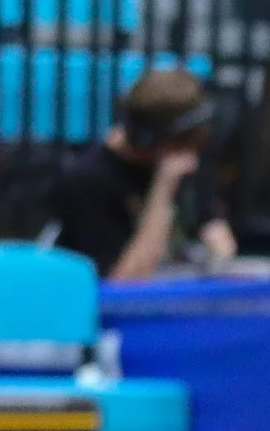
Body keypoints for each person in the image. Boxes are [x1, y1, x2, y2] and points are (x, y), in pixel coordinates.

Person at [46, 68, 235, 281]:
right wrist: (164, 187)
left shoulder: (185, 158)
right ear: (153, 142)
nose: (193, 160)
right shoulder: (87, 181)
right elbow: (124, 285)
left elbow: (217, 236)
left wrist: (220, 256)